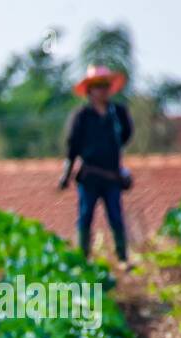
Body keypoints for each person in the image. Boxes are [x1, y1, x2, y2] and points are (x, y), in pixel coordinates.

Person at [59, 65, 133, 263]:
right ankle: (82, 259)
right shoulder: (81, 116)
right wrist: (66, 175)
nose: (102, 90)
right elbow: (72, 147)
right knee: (85, 216)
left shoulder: (118, 113)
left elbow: (126, 136)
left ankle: (122, 258)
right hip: (89, 176)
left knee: (116, 217)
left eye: (105, 85)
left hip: (112, 176)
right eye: (98, 86)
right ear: (89, 90)